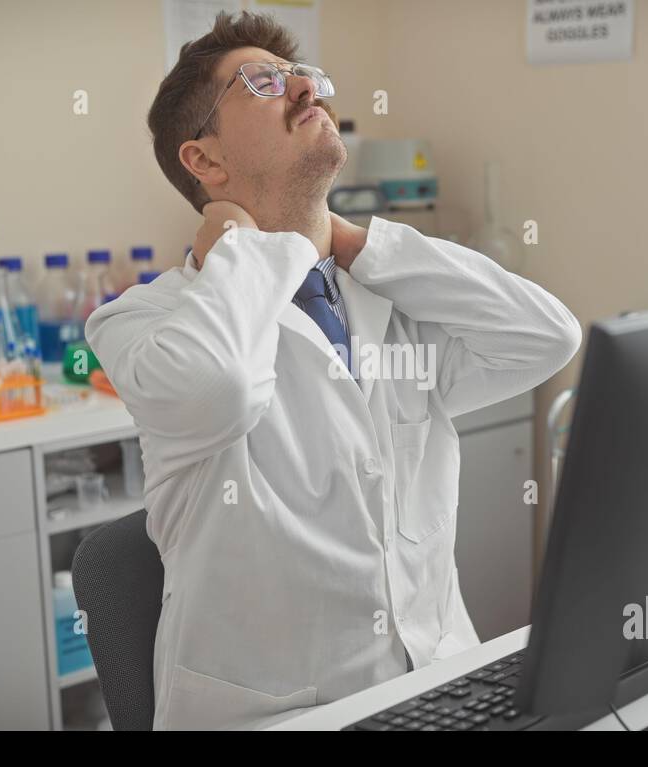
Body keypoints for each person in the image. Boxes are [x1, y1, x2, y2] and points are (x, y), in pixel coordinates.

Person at [86, 11, 581, 730]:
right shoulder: (143, 321)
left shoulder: (390, 300)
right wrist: (241, 242)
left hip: (441, 688)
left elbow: (547, 337)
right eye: (263, 81)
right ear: (204, 161)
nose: (302, 88)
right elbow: (219, 389)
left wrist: (358, 244)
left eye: (304, 76)